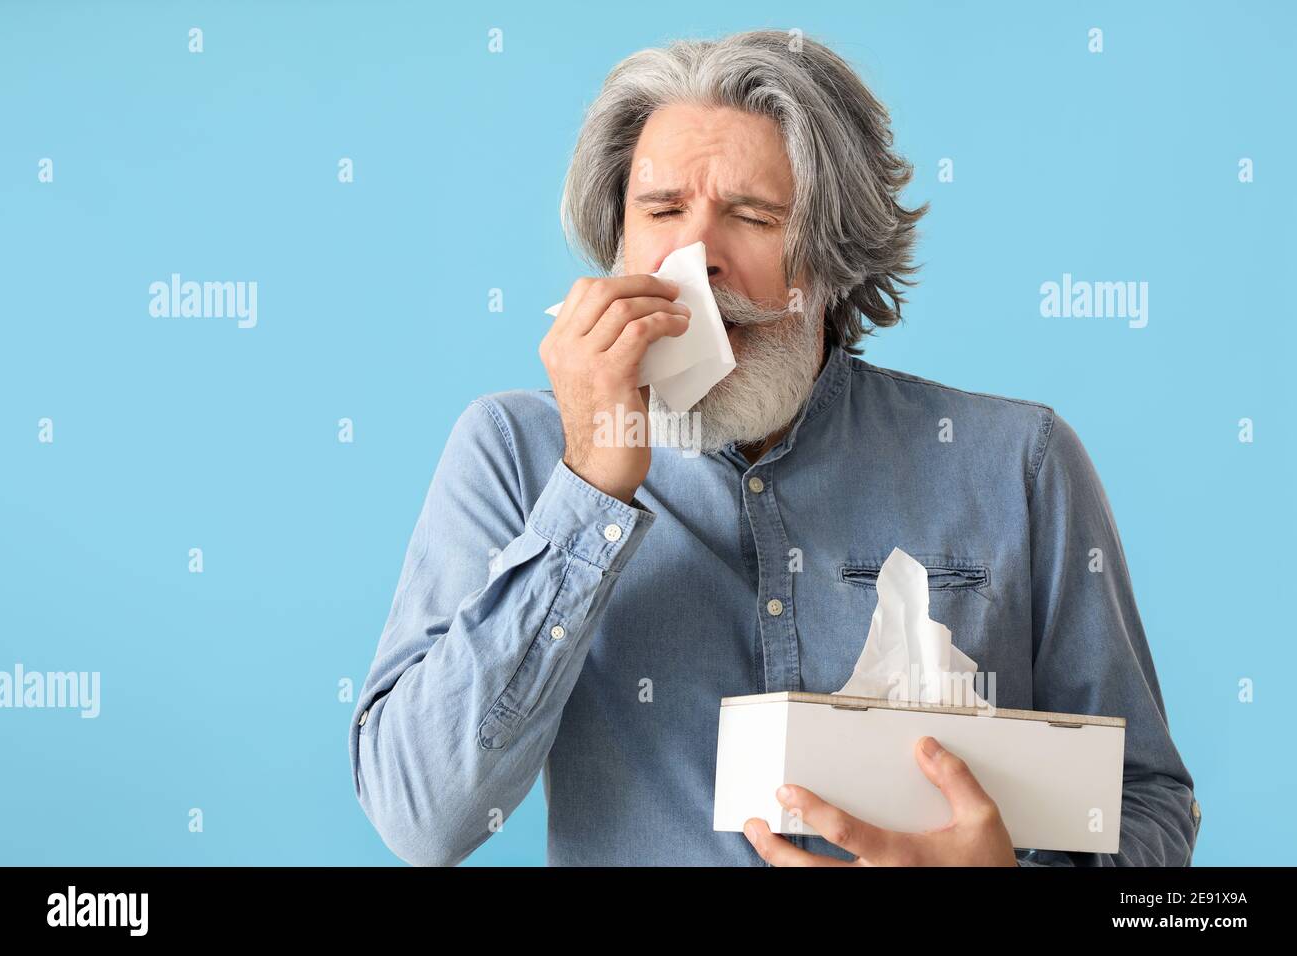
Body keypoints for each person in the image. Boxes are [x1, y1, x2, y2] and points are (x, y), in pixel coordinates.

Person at [348, 30, 1200, 866]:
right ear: (617, 248)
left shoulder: (1021, 464)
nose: (697, 256)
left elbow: (1150, 806)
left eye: (751, 216)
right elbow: (423, 820)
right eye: (661, 211)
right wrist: (592, 487)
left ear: (834, 260)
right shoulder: (511, 452)